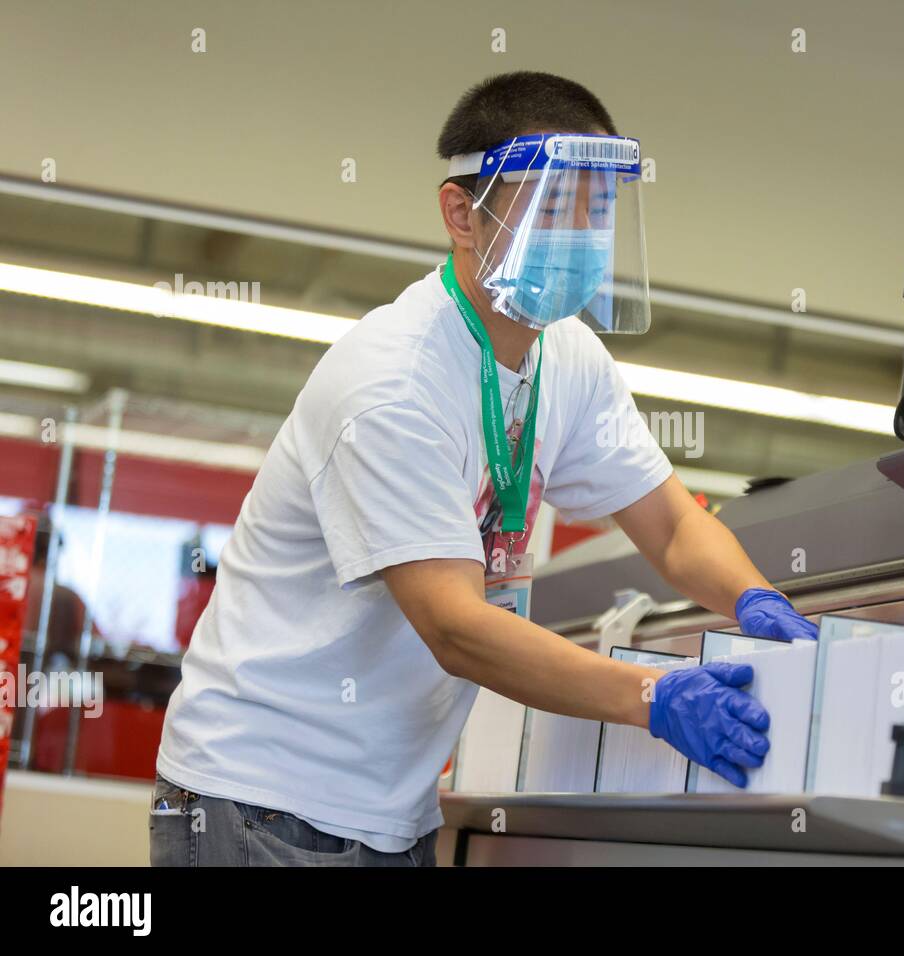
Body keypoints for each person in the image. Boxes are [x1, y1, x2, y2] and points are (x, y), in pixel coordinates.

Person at [151, 71, 817, 867]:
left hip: (389, 813)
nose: (577, 234)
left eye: (596, 210)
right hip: (261, 801)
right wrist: (653, 696)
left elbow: (672, 524)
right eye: (550, 206)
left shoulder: (568, 356)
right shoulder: (393, 383)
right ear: (463, 214)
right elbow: (456, 628)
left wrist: (756, 599)